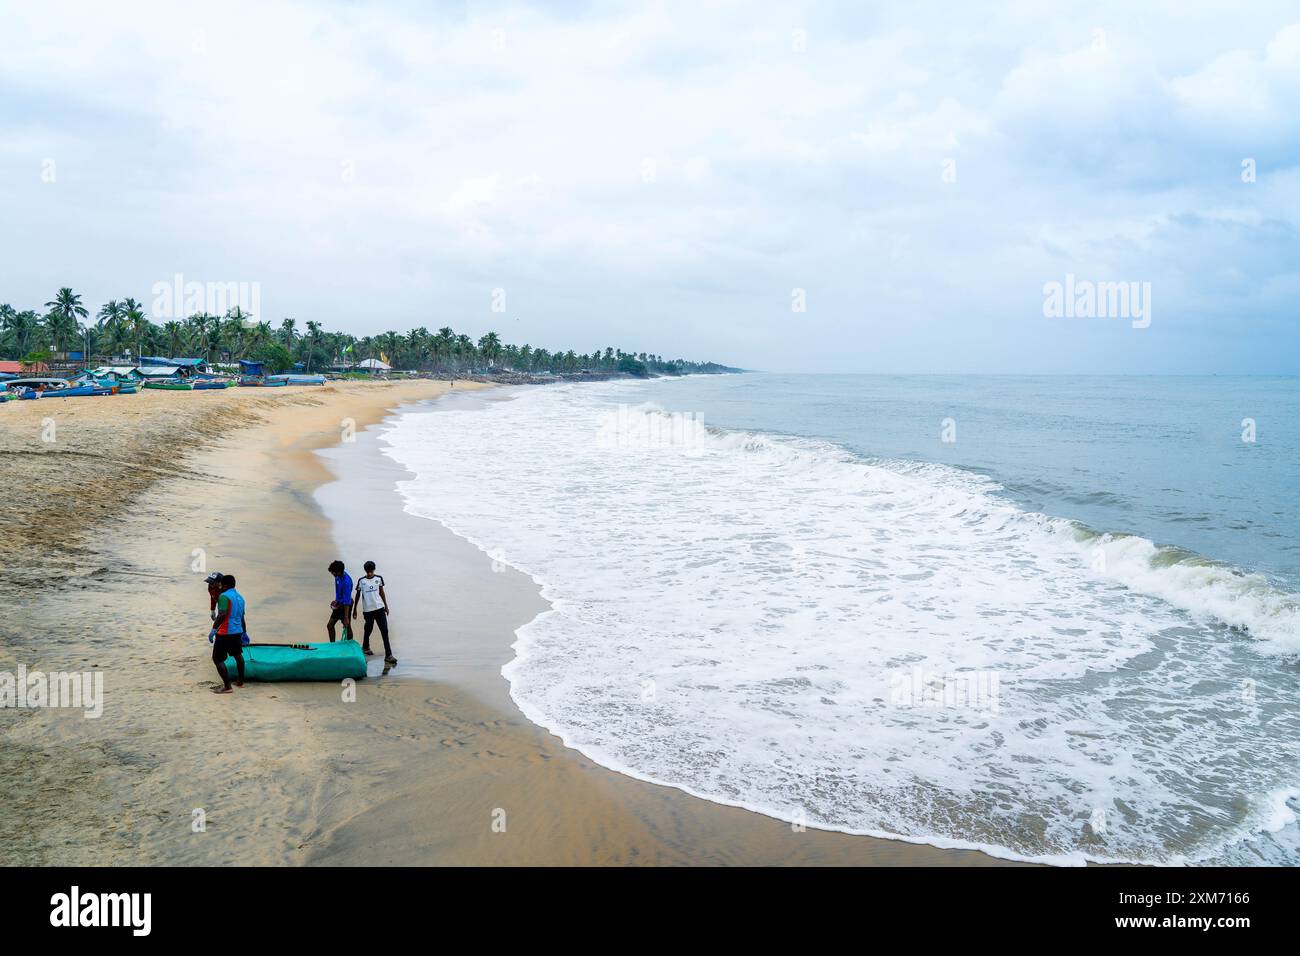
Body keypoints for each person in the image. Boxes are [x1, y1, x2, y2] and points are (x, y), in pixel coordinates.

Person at [352, 561, 395, 664]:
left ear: (373, 570)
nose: (370, 573)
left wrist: (386, 606)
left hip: (379, 608)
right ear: (365, 571)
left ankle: (388, 655)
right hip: (368, 610)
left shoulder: (378, 579)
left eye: (371, 571)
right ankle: (365, 647)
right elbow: (358, 595)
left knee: (384, 631)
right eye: (368, 571)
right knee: (368, 629)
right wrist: (355, 609)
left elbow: (381, 592)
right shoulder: (361, 581)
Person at [211, 574, 247, 694]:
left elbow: (222, 614)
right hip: (237, 631)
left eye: (221, 584)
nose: (220, 586)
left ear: (224, 585)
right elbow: (242, 618)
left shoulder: (224, 596)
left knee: (217, 659)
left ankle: (227, 687)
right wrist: (244, 632)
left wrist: (213, 629)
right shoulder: (240, 598)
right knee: (238, 655)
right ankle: (240, 682)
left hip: (225, 632)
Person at [327, 560, 353, 642]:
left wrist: (346, 617)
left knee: (347, 625)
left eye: (333, 572)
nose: (332, 574)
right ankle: (332, 645)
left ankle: (350, 646)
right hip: (339, 604)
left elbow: (347, 601)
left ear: (339, 571)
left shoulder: (346, 582)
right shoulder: (337, 577)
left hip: (346, 606)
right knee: (330, 626)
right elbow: (338, 591)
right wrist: (336, 600)